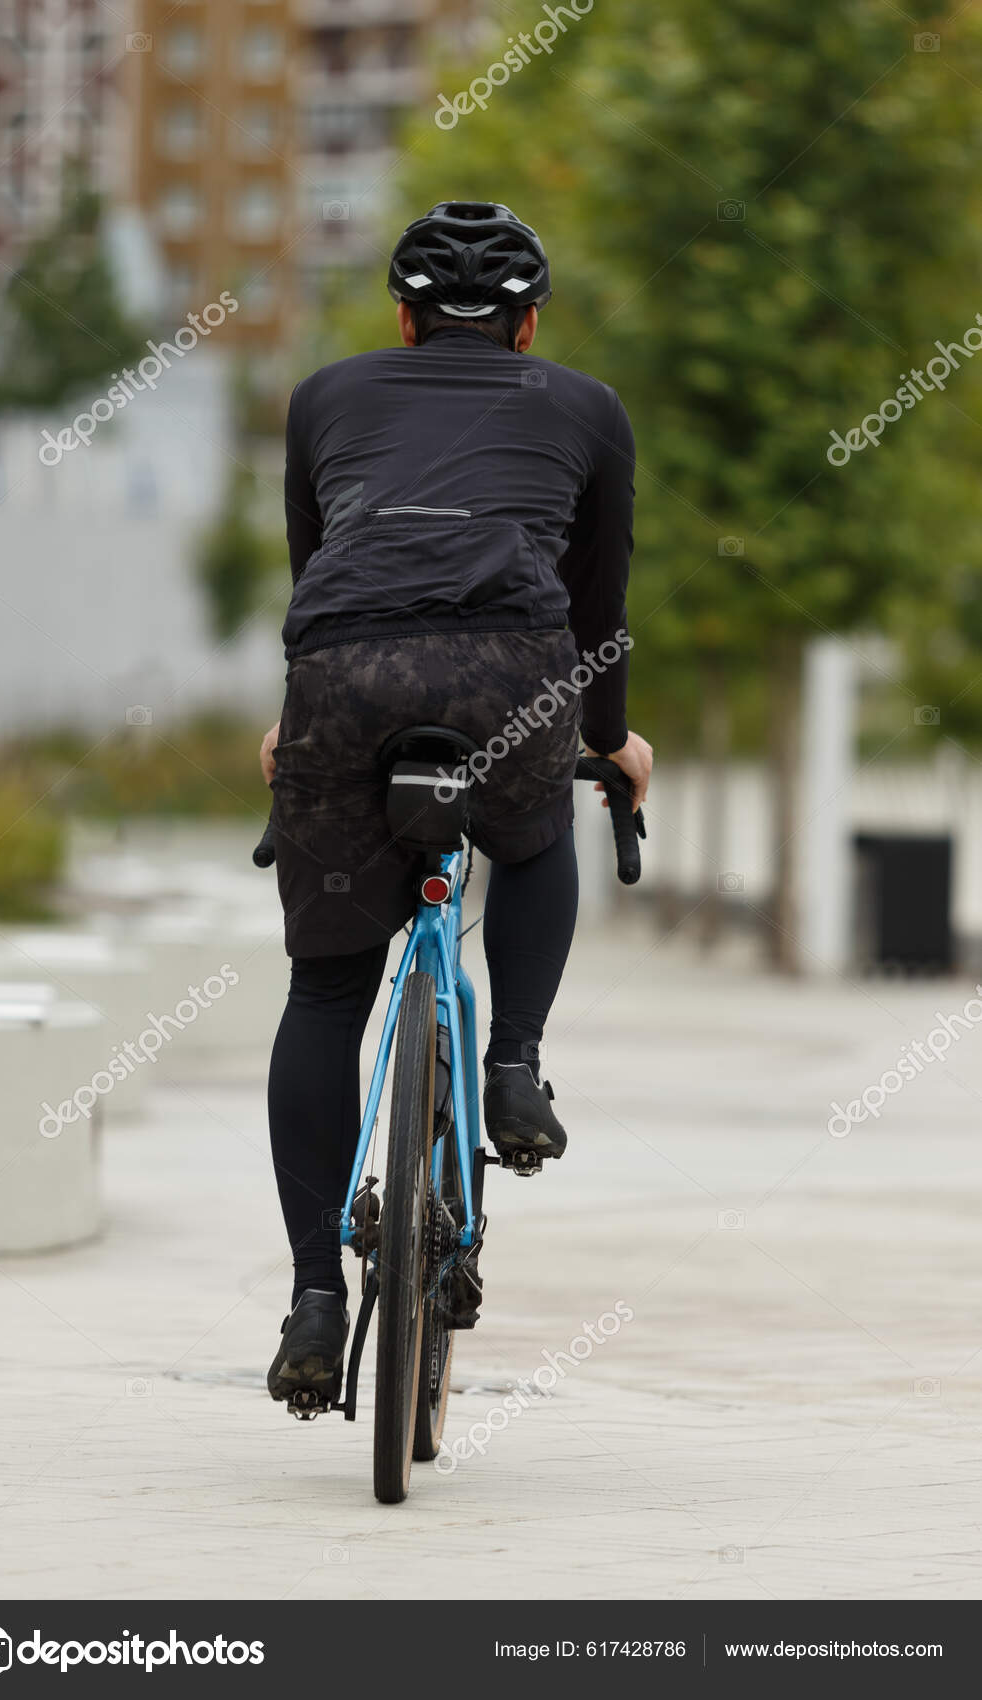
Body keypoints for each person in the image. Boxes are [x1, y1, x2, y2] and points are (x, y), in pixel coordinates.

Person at [262, 202, 653, 1405]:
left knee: (329, 988)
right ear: (529, 325)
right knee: (534, 842)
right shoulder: (586, 407)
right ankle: (514, 1067)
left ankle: (316, 1295)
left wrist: (301, 719)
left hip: (341, 672)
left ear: (403, 317)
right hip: (513, 668)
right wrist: (608, 742)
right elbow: (597, 598)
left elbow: (318, 571)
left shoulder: (324, 395)